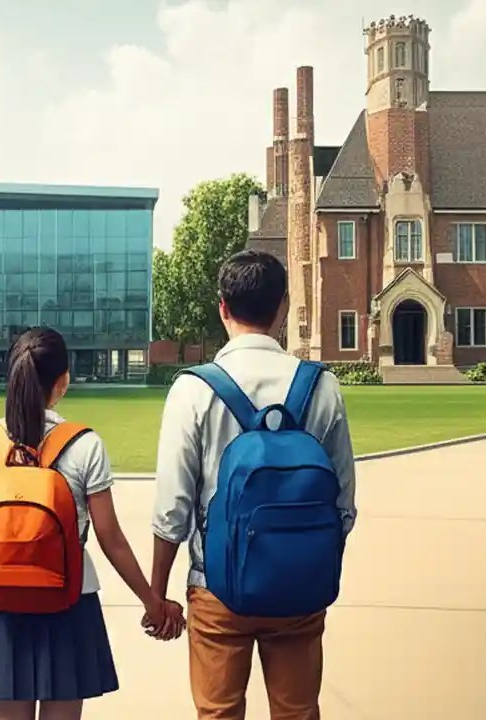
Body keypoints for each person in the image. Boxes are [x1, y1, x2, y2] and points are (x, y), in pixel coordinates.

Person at [148, 250, 358, 720]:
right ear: (283, 307)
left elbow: (172, 511)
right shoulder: (321, 385)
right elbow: (343, 503)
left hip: (217, 587)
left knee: (219, 713)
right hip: (300, 587)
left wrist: (158, 596)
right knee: (298, 712)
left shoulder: (195, 388)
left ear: (222, 307)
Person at [0, 327, 185, 720]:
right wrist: (153, 602)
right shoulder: (84, 444)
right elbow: (110, 538)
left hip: (0, 602)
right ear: (63, 381)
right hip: (69, 598)